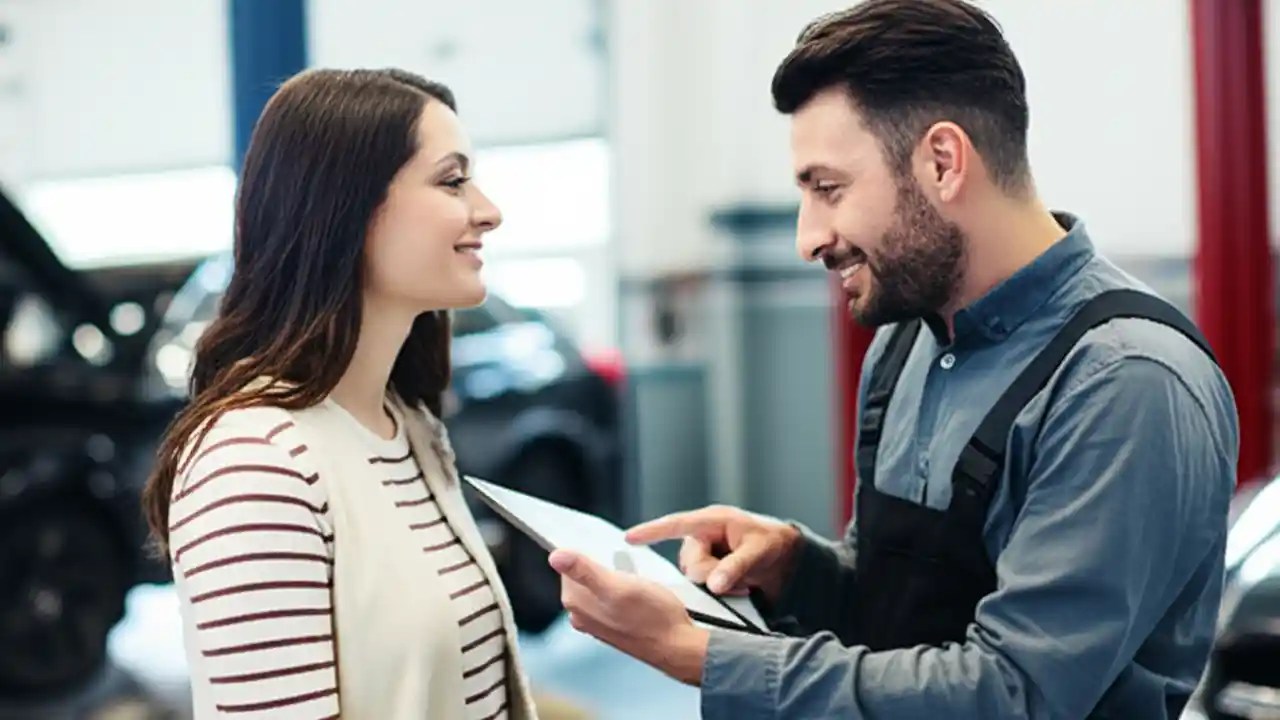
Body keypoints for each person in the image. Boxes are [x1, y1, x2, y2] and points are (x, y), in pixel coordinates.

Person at [546, 1, 1239, 718]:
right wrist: (798, 568)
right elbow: (899, 616)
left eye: (828, 189)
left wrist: (701, 656)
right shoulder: (903, 346)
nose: (808, 239)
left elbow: (1015, 692)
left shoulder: (1124, 382)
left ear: (943, 162)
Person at [142, 68, 538, 720]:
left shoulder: (409, 428)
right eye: (451, 179)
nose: (487, 210)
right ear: (347, 207)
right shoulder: (254, 461)